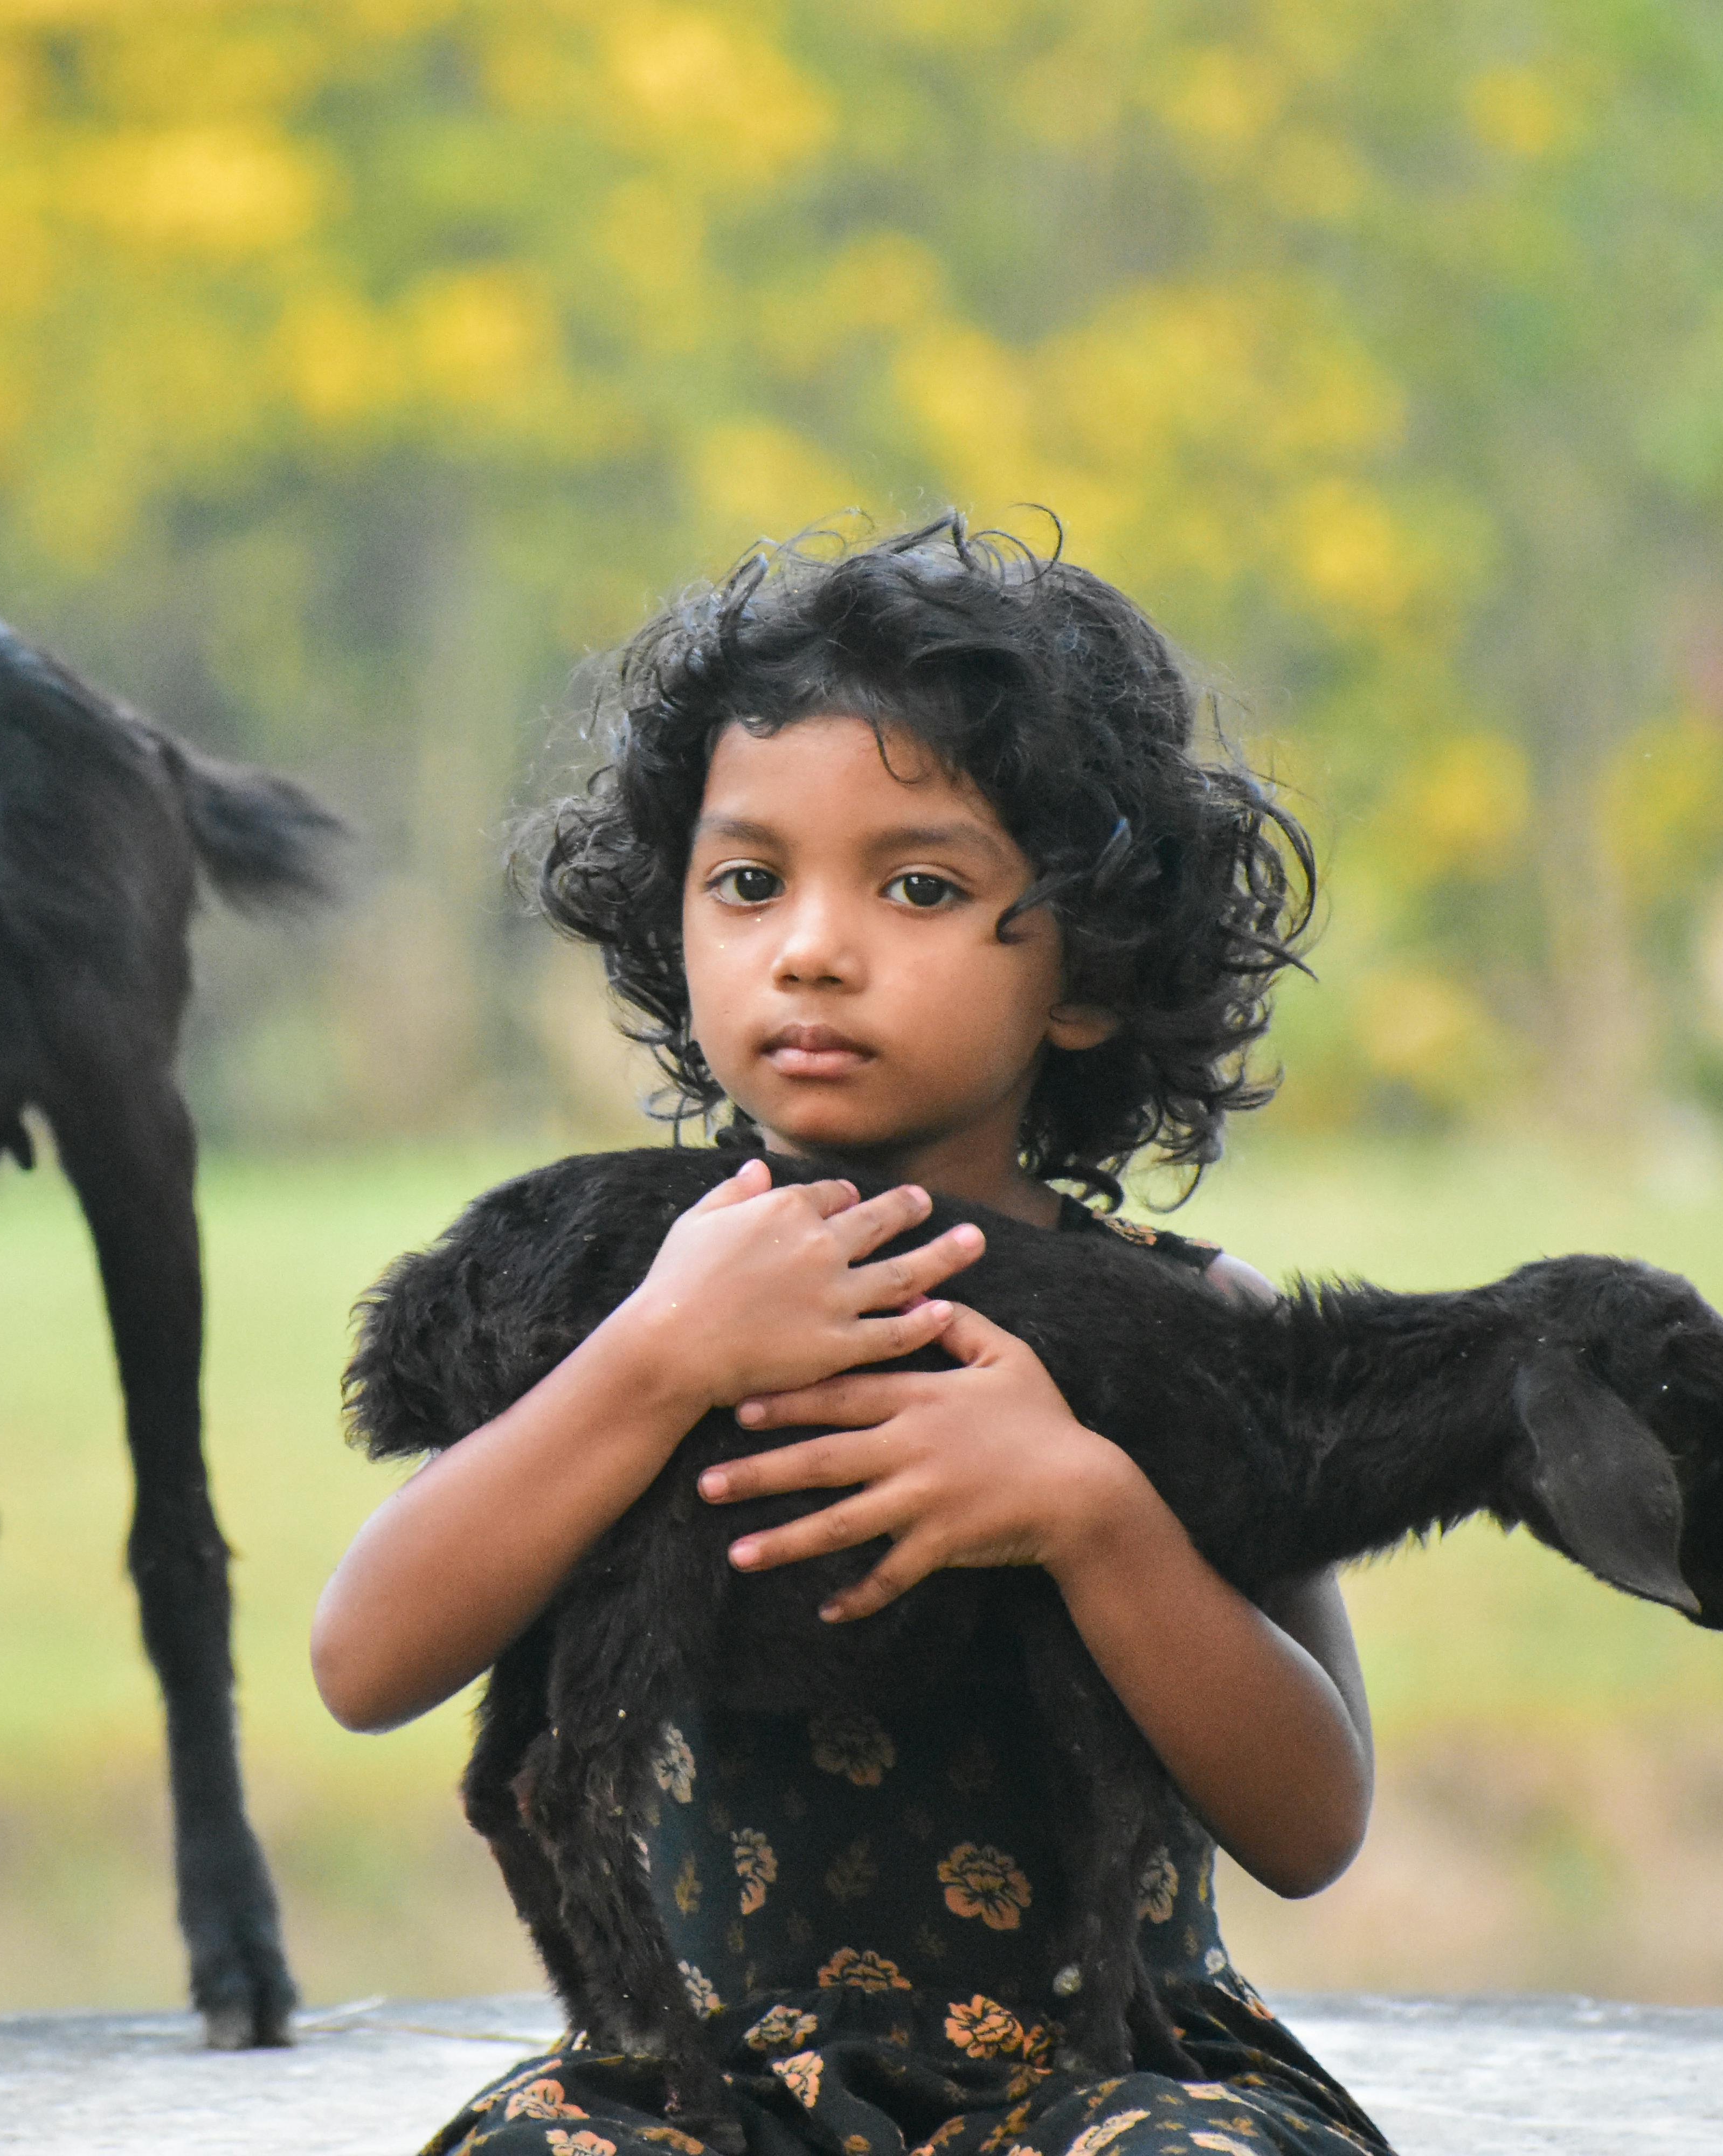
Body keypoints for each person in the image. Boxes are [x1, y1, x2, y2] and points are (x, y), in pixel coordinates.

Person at [313, 516, 1389, 2156]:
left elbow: (1311, 1823)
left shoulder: (1195, 1327)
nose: (812, 944)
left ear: (1088, 971)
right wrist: (661, 1361)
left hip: (1106, 2088)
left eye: (920, 885)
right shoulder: (628, 1295)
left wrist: (1092, 1513)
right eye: (750, 882)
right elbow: (365, 1662)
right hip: (714, 2098)